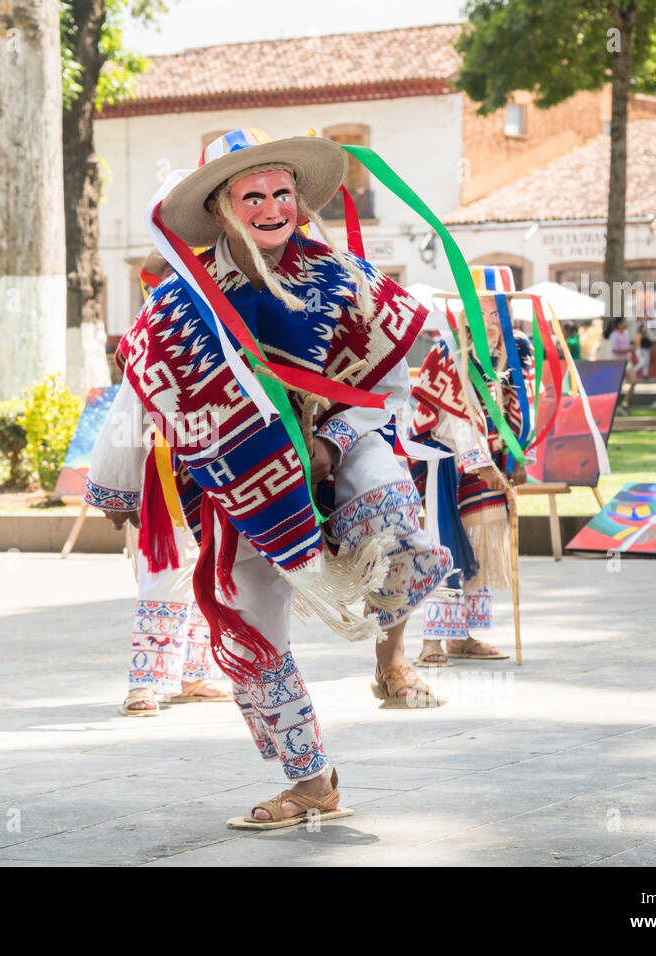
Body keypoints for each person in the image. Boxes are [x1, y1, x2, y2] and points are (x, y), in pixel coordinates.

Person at [91, 130, 449, 828]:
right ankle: (310, 780)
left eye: (282, 191)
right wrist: (119, 486)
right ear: (222, 210)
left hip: (343, 449)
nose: (271, 205)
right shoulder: (177, 303)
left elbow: (392, 389)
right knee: (253, 627)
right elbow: (142, 393)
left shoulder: (346, 278)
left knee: (398, 520)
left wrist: (332, 438)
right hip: (238, 482)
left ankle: (393, 661)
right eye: (252, 195)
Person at [89, 252, 232, 717]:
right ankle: (144, 682)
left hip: (221, 467)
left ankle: (192, 673)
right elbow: (130, 410)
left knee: (206, 571)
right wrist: (116, 485)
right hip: (165, 472)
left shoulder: (232, 323)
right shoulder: (154, 333)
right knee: (163, 571)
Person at [407, 267, 531, 668]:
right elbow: (453, 420)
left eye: (503, 310)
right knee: (446, 548)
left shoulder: (509, 355)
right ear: (469, 313)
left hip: (489, 462)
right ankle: (431, 641)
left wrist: (514, 459)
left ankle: (463, 635)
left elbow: (516, 408)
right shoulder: (447, 353)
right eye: (490, 311)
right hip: (446, 463)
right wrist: (479, 464)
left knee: (480, 543)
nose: (498, 319)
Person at [609, 317, 634, 413]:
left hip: (627, 362)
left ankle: (625, 403)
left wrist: (629, 352)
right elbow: (614, 349)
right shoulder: (614, 335)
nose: (626, 323)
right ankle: (616, 407)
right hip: (618, 363)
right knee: (618, 386)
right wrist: (628, 350)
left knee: (634, 380)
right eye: (624, 321)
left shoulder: (626, 334)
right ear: (619, 324)